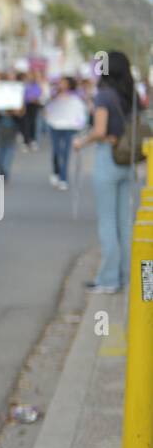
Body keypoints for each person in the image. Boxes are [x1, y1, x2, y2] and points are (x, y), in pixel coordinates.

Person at [74, 50, 139, 294]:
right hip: (127, 159)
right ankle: (124, 275)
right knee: (124, 221)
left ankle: (109, 279)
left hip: (108, 159)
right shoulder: (130, 96)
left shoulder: (104, 96)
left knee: (107, 222)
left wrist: (81, 142)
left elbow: (100, 130)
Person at [45, 76, 86, 191]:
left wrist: (79, 125)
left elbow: (80, 110)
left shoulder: (76, 95)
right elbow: (48, 108)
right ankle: (56, 171)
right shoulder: (54, 94)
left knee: (65, 152)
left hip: (69, 127)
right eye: (61, 83)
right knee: (56, 151)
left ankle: (63, 178)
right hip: (55, 126)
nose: (62, 85)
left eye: (64, 83)